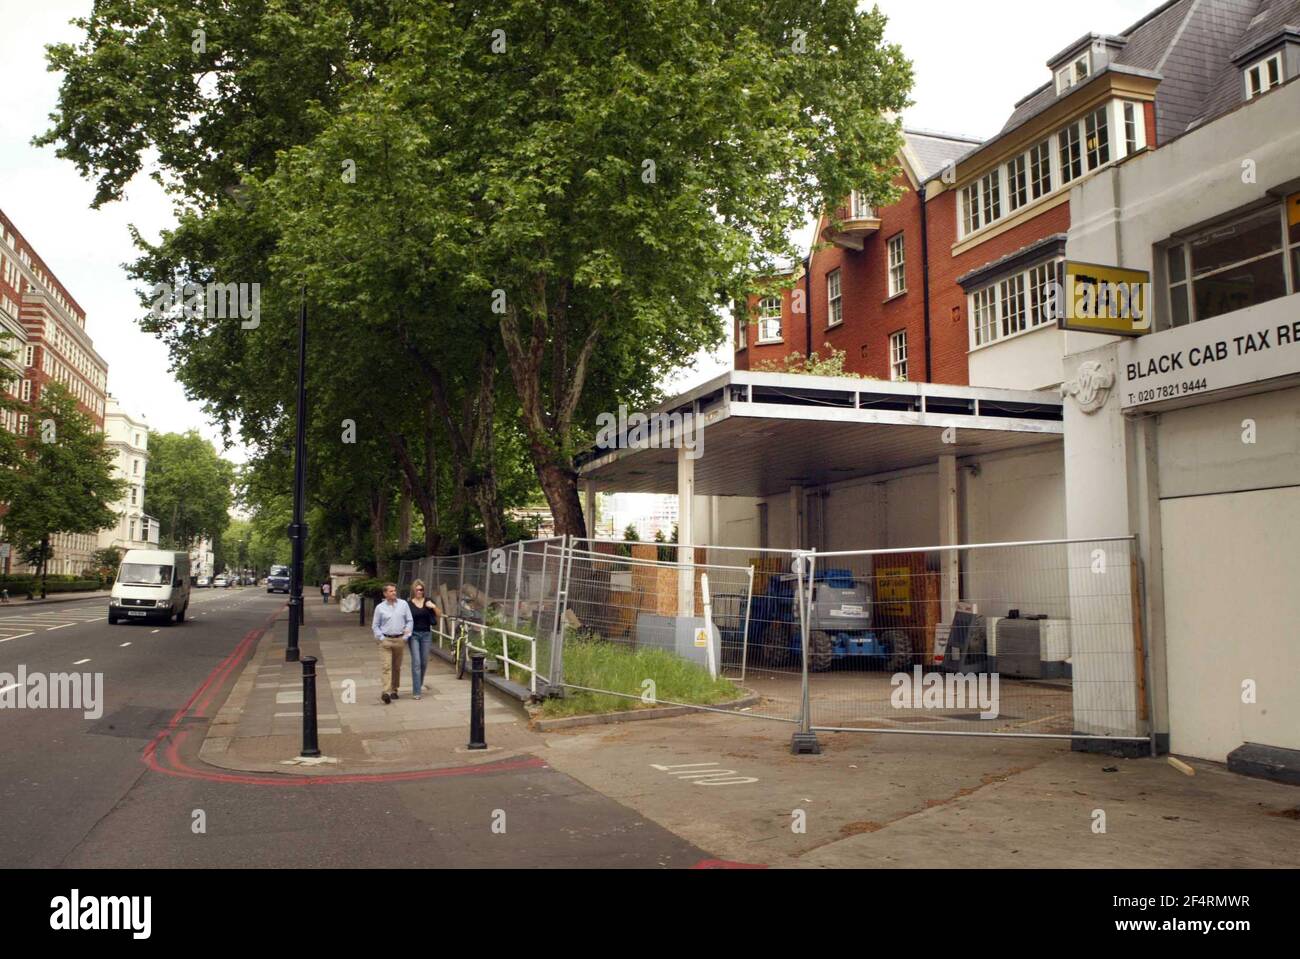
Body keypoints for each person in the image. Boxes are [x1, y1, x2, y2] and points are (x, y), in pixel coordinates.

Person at [370, 583, 411, 705]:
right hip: (386, 641)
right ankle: (386, 692)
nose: (394, 593)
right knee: (386, 666)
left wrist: (406, 636)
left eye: (394, 590)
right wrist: (381, 638)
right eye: (391, 591)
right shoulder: (380, 608)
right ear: (385, 593)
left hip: (399, 639)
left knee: (396, 667)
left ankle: (394, 689)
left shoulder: (403, 604)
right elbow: (375, 625)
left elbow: (409, 621)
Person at [406, 580, 442, 700]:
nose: (419, 592)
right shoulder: (409, 604)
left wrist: (433, 606)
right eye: (417, 590)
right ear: (413, 591)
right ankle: (416, 692)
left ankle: (419, 683)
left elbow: (439, 614)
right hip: (414, 634)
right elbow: (405, 618)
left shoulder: (428, 601)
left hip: (426, 634)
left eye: (421, 590)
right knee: (416, 662)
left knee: (424, 662)